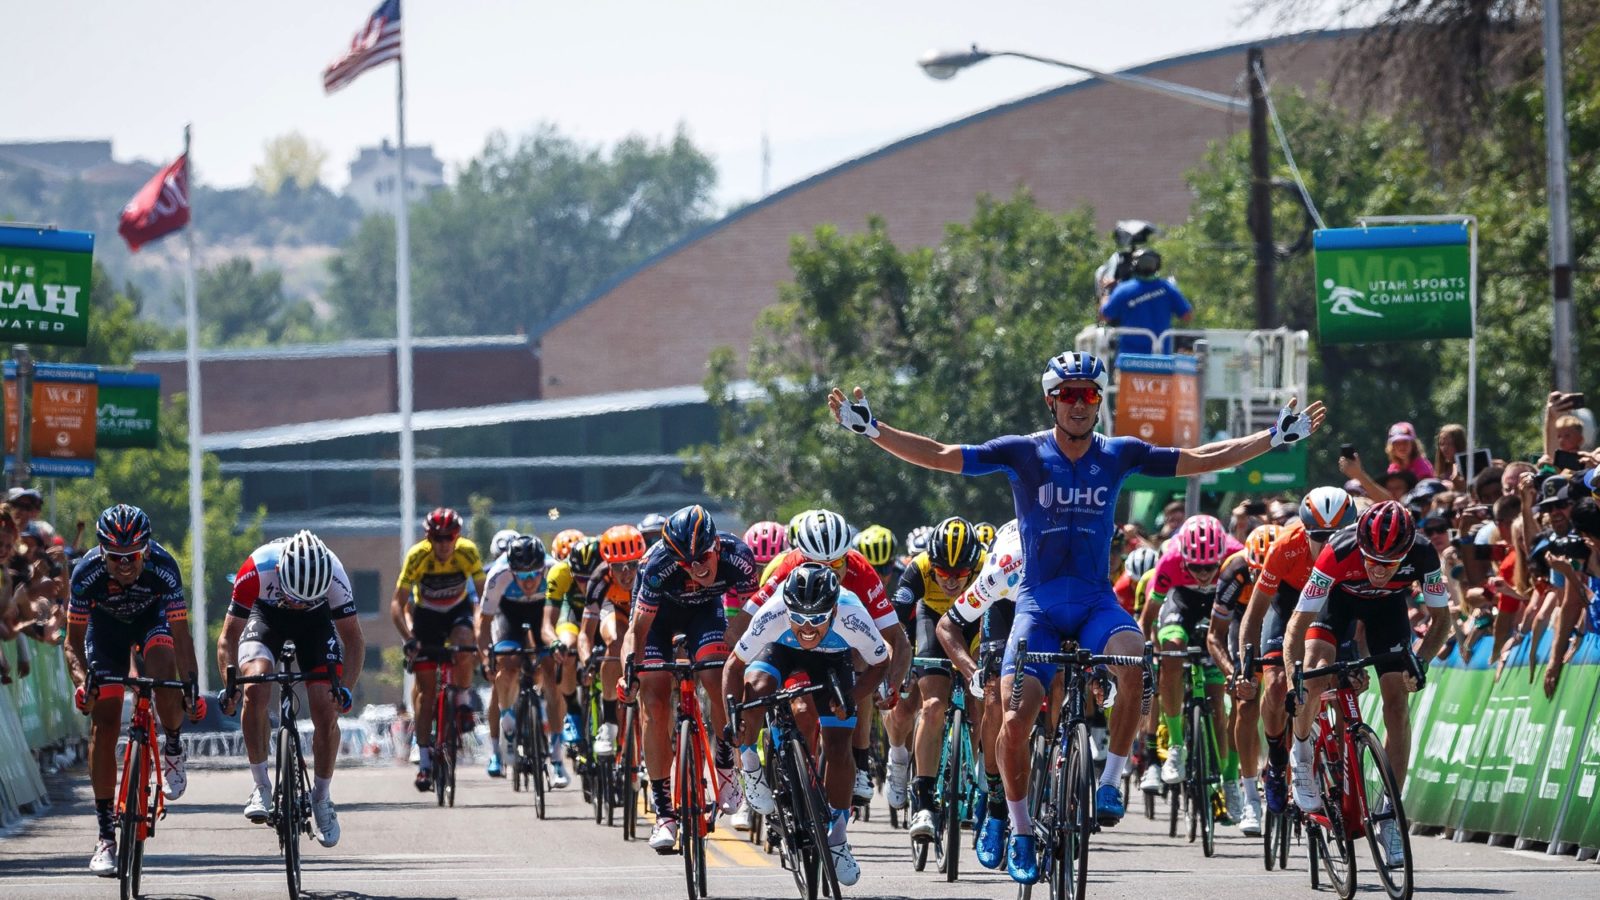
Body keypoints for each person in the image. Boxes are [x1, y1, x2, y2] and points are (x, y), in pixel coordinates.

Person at [828, 350, 1323, 883]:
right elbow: (941, 453)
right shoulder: (1023, 453)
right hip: (1037, 607)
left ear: (1100, 400)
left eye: (1089, 393)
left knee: (1136, 662)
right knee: (1014, 722)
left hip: (1094, 603)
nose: (1080, 403)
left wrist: (1272, 439)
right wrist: (873, 429)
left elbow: (1202, 457)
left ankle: (1110, 779)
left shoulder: (1120, 453)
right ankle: (1014, 824)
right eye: (1069, 394)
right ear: (1051, 401)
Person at [1285, 501, 1451, 869]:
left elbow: (1441, 621)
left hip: (1388, 612)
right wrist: (1295, 677)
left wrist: (1420, 661)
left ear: (1406, 553)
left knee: (1397, 704)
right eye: (1372, 561)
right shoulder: (1338, 550)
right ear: (1361, 546)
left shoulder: (1424, 553)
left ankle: (1390, 814)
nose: (1378, 569)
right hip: (1336, 606)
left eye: (1389, 564)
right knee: (1314, 672)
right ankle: (1300, 754)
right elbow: (1298, 624)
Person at [729, 508, 907, 814]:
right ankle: (753, 764)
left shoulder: (861, 571)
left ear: (847, 556)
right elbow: (740, 629)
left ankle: (860, 761)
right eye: (816, 563)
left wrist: (891, 684)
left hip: (838, 647)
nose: (827, 571)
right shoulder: (786, 569)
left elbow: (895, 639)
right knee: (761, 687)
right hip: (785, 645)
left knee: (862, 662)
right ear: (800, 556)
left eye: (836, 564)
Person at [726, 564, 889, 886]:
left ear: (833, 610)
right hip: (780, 652)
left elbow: (880, 662)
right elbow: (734, 665)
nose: (807, 627)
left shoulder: (853, 615)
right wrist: (735, 718)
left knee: (839, 743)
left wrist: (852, 697)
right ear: (786, 609)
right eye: (798, 618)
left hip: (833, 658)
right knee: (756, 690)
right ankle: (751, 768)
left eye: (817, 618)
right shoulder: (772, 614)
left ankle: (838, 838)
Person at [65, 505, 203, 876]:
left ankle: (172, 743)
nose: (124, 564)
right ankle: (106, 836)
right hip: (104, 633)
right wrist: (84, 684)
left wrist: (191, 687)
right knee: (105, 721)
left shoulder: (165, 568)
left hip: (151, 621)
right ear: (102, 552)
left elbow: (181, 636)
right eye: (115, 557)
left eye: (133, 556)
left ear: (145, 549)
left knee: (163, 668)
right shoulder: (85, 574)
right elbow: (71, 643)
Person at [218, 531, 363, 846]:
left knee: (326, 706)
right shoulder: (256, 569)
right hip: (267, 617)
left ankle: (322, 798)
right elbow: (228, 639)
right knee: (254, 687)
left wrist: (346, 689)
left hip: (316, 625)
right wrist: (230, 686)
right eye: (296, 596)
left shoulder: (335, 574)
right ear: (281, 574)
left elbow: (354, 640)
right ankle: (261, 786)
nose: (298, 604)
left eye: (307, 598)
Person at [622, 504, 751, 853]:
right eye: (686, 562)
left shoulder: (738, 555)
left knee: (717, 676)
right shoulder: (655, 565)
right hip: (658, 623)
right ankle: (664, 813)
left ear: (716, 546)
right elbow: (637, 631)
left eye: (703, 558)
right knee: (654, 700)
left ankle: (724, 767)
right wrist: (628, 673)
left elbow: (754, 615)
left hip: (705, 615)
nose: (696, 569)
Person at [1235, 487, 1354, 818]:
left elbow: (1362, 612)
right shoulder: (1286, 545)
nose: (1328, 544)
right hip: (1287, 604)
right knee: (1275, 683)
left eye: (1336, 536)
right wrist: (1247, 663)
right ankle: (1276, 760)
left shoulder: (1355, 550)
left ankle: (1344, 768)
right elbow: (1255, 614)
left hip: (1331, 604)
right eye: (1319, 537)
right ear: (1304, 530)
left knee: (1340, 678)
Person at [896, 516, 984, 841]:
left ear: (973, 567)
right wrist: (903, 659)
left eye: (960, 574)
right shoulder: (918, 568)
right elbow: (898, 620)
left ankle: (968, 773)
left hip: (974, 621)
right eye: (942, 573)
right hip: (931, 619)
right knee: (933, 705)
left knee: (980, 705)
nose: (950, 580)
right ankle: (922, 802)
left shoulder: (988, 566)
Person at [391, 507, 486, 792]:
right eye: (438, 538)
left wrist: (481, 633)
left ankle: (463, 700)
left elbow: (482, 597)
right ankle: (424, 763)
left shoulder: (468, 552)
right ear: (428, 537)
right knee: (427, 692)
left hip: (457, 611)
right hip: (427, 616)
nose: (444, 544)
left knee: (465, 641)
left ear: (458, 537)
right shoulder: (418, 555)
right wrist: (408, 637)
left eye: (450, 538)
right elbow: (398, 604)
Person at [477, 535, 567, 785]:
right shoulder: (499, 574)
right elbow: (483, 624)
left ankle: (557, 757)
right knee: (507, 664)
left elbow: (563, 614)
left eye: (533, 576)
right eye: (522, 577)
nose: (528, 583)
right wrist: (486, 658)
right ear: (511, 570)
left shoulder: (553, 570)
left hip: (543, 613)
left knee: (551, 673)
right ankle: (506, 721)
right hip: (509, 616)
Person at [1098, 249, 1193, 356]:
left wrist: (1106, 293)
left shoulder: (1123, 290)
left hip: (1129, 361)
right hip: (1160, 360)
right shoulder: (1168, 288)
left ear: (1135, 265)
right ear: (1157, 265)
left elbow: (1104, 316)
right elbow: (1187, 316)